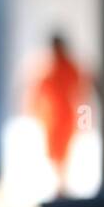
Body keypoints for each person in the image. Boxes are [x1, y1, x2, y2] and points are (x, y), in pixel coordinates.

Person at [29, 31, 89, 194]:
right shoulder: (48, 67)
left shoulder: (69, 66)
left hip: (66, 116)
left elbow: (82, 92)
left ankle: (62, 185)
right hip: (52, 117)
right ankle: (60, 185)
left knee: (63, 153)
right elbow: (38, 93)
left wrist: (84, 118)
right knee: (55, 153)